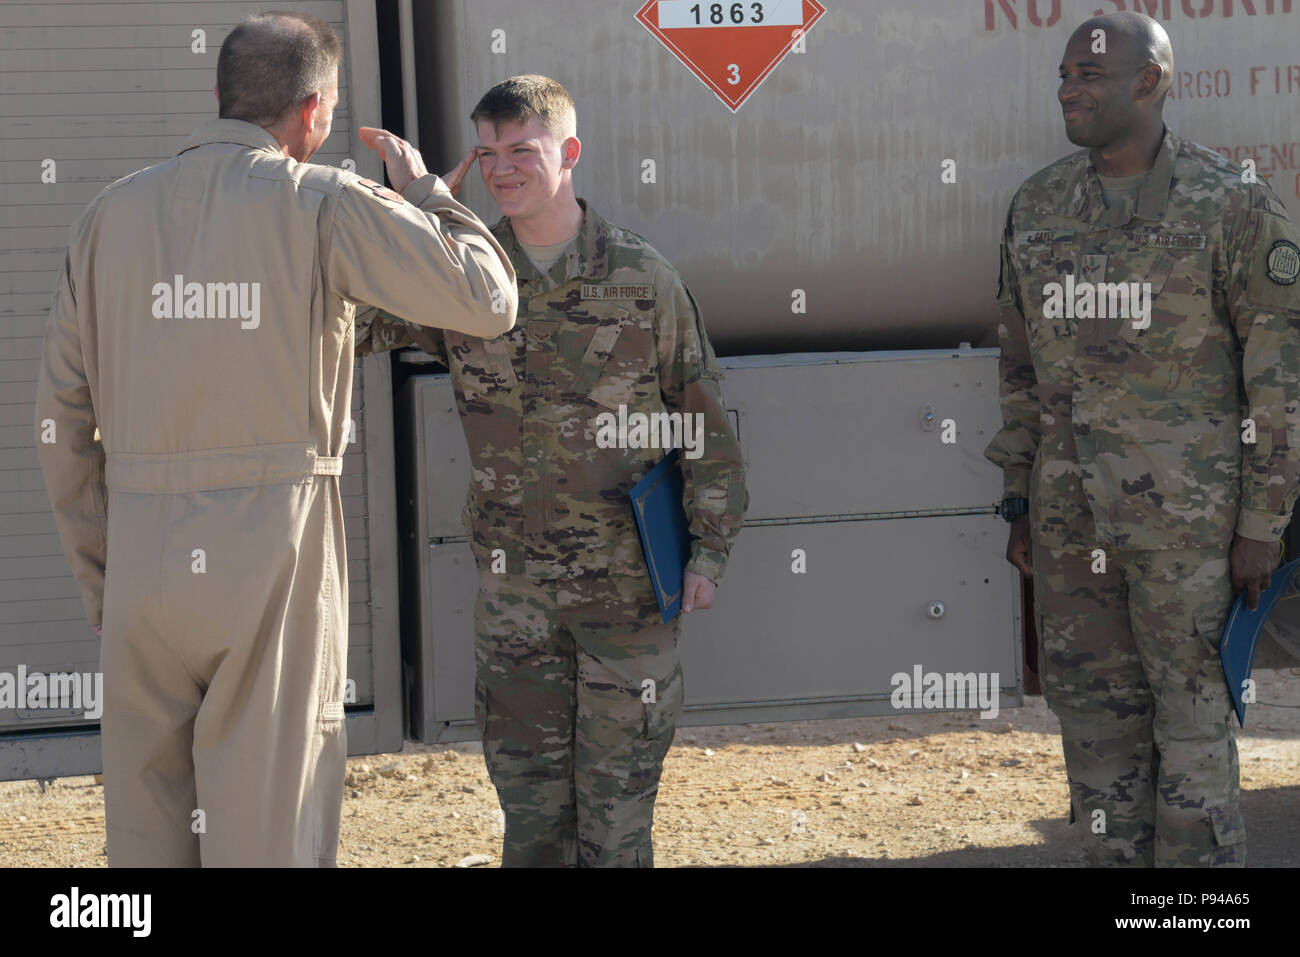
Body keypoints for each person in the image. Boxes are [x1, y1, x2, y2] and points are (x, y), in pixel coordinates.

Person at [33, 11, 516, 867]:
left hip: (143, 565)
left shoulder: (107, 216)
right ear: (316, 112)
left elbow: (64, 425)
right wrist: (429, 195)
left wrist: (106, 580)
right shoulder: (321, 201)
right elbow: (486, 298)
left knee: (146, 846)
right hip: (273, 553)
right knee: (270, 834)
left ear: (219, 94)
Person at [357, 75, 748, 867]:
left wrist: (709, 550)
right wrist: (417, 216)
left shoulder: (641, 279)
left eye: (522, 150)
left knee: (616, 822)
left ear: (568, 153)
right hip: (516, 603)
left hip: (627, 600)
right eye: (488, 152)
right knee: (532, 821)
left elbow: (703, 420)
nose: (502, 168)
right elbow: (359, 323)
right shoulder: (465, 277)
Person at [985, 11, 1300, 867]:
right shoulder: (1040, 207)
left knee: (1194, 732)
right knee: (1094, 735)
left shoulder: (1230, 205)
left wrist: (1262, 525)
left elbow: (1278, 378)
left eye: (1090, 76)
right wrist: (1019, 499)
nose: (1069, 90)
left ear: (1151, 82)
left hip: (1190, 536)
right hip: (1069, 524)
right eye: (1063, 76)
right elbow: (1019, 368)